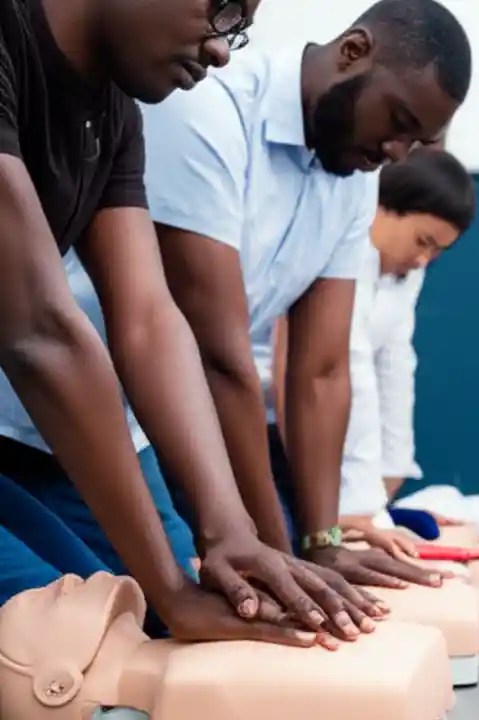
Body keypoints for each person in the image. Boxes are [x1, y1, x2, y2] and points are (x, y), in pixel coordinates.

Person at [0, 0, 363, 648]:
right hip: (25, 416)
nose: (223, 48)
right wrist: (171, 588)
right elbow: (39, 332)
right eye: (220, 8)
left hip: (42, 431)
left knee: (142, 626)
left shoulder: (114, 116)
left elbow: (148, 319)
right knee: (75, 654)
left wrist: (230, 531)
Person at [141, 0, 471, 593]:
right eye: (397, 120)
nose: (397, 152)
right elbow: (218, 357)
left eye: (416, 141)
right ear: (352, 53)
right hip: (68, 411)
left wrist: (322, 544)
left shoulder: (354, 177)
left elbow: (321, 370)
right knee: (149, 610)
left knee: (203, 600)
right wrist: (278, 552)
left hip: (144, 423)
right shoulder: (212, 106)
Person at [271, 147, 477, 557]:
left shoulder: (406, 269)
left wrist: (391, 472)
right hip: (267, 431)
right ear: (383, 206)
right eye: (423, 242)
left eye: (437, 252)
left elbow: (396, 366)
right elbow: (347, 367)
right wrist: (359, 504)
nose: (423, 259)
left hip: (324, 445)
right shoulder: (342, 247)